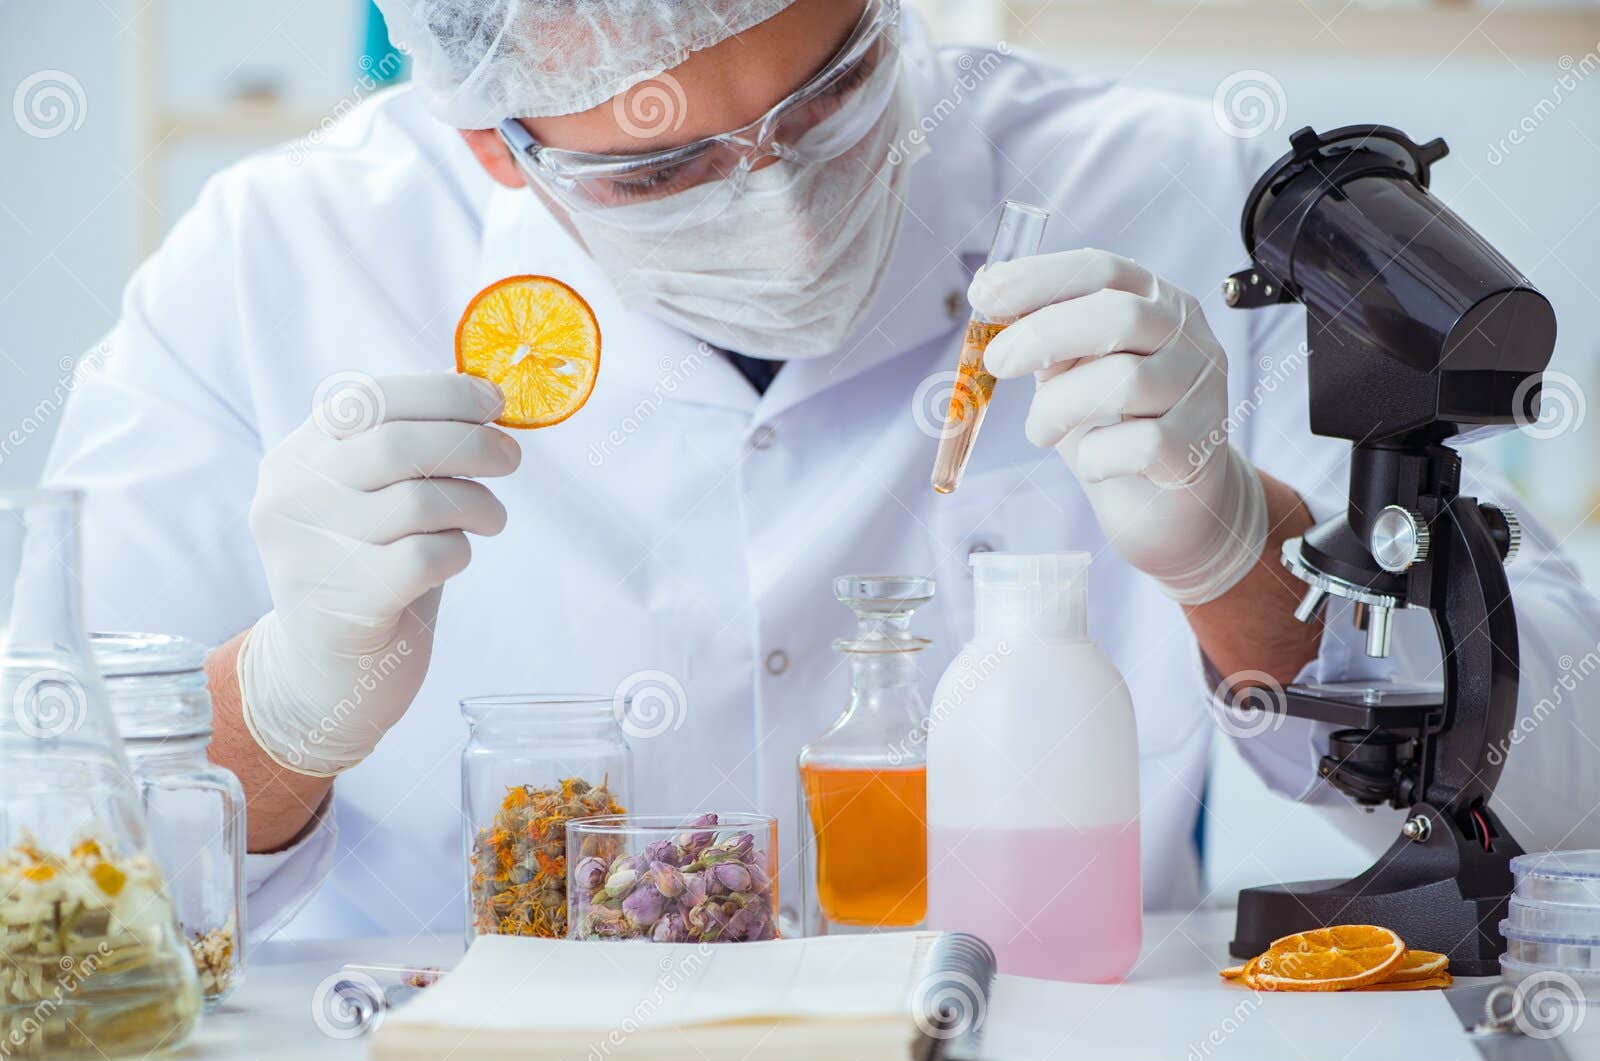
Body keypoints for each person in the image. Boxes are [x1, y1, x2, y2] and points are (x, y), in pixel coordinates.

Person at [43, 0, 1600, 941]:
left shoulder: (1171, 194)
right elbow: (53, 907)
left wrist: (1242, 560)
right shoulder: (279, 267)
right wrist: (286, 704)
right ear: (491, 145)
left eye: (835, 92)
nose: (778, 204)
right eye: (656, 166)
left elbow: (1572, 802)